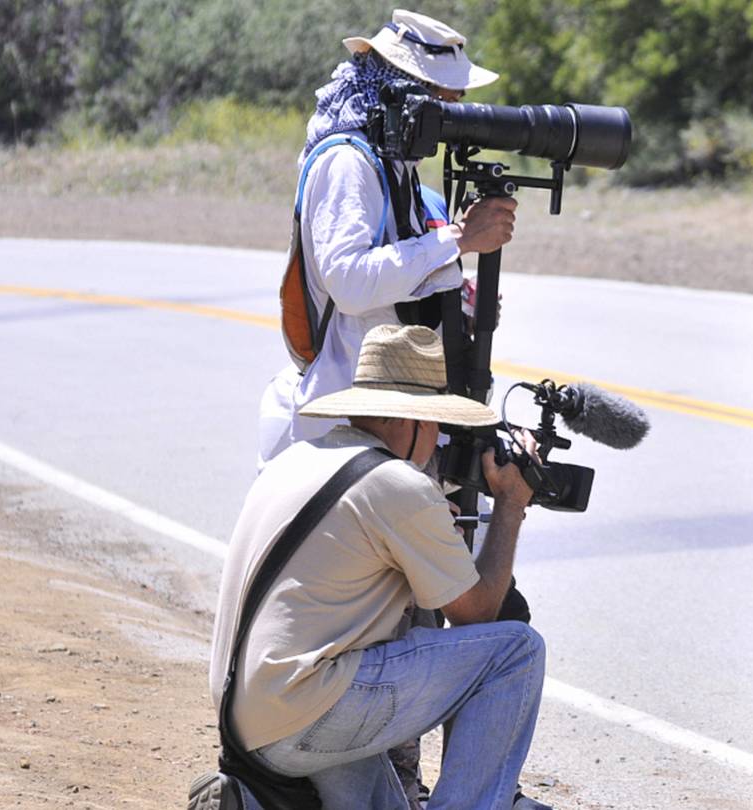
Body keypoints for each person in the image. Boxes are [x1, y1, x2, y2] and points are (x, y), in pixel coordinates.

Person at [211, 324, 544, 809]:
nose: (435, 439)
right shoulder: (396, 484)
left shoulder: (297, 459)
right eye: (434, 424)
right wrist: (511, 504)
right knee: (517, 650)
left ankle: (249, 800)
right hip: (308, 712)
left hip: (247, 718)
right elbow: (478, 613)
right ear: (410, 421)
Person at [258, 8, 517, 465]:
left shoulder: (399, 172)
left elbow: (398, 283)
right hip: (346, 420)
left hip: (395, 414)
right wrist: (458, 239)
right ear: (407, 94)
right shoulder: (347, 162)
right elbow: (351, 283)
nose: (457, 112)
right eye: (448, 98)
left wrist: (456, 297)